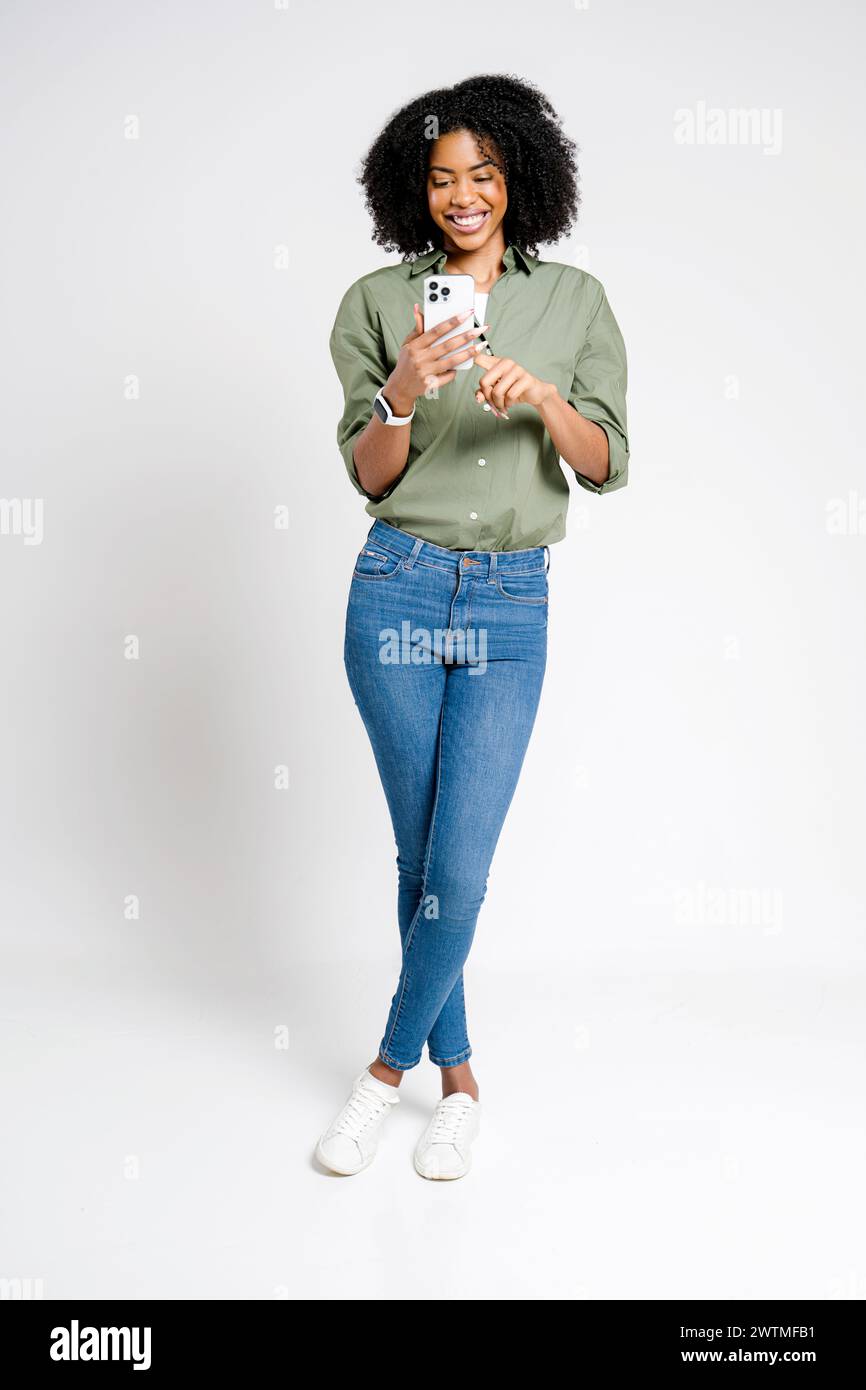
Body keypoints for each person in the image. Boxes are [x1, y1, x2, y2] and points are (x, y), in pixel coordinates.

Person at [316, 73, 629, 1180]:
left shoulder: (575, 300)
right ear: (415, 189)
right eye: (442, 178)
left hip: (509, 600)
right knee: (421, 853)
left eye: (483, 175)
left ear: (517, 181)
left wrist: (545, 401)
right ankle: (459, 1082)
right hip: (396, 585)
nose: (463, 196)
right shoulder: (372, 303)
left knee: (459, 853)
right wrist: (403, 385)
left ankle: (385, 1072)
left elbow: (606, 467)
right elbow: (368, 470)